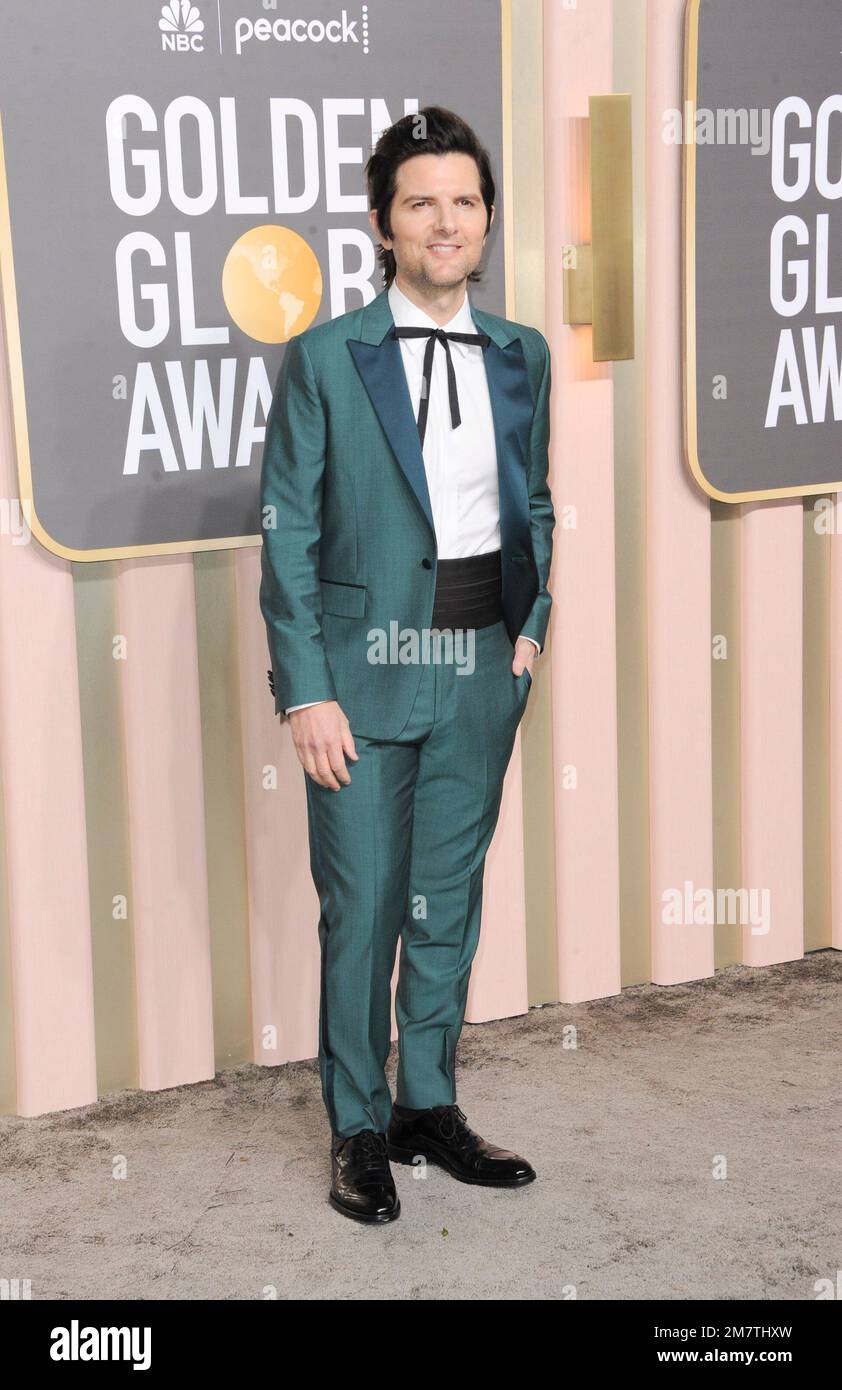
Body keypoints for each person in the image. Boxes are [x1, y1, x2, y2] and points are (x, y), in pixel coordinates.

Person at [259, 105, 555, 1224]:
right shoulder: (328, 357)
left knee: (447, 903)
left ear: (485, 219)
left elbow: (529, 501)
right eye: (419, 202)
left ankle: (425, 1103)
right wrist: (307, 688)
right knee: (366, 907)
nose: (445, 221)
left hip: (482, 660)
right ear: (384, 224)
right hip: (361, 672)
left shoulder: (519, 353)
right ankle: (355, 1124)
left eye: (463, 201)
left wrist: (529, 632)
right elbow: (287, 530)